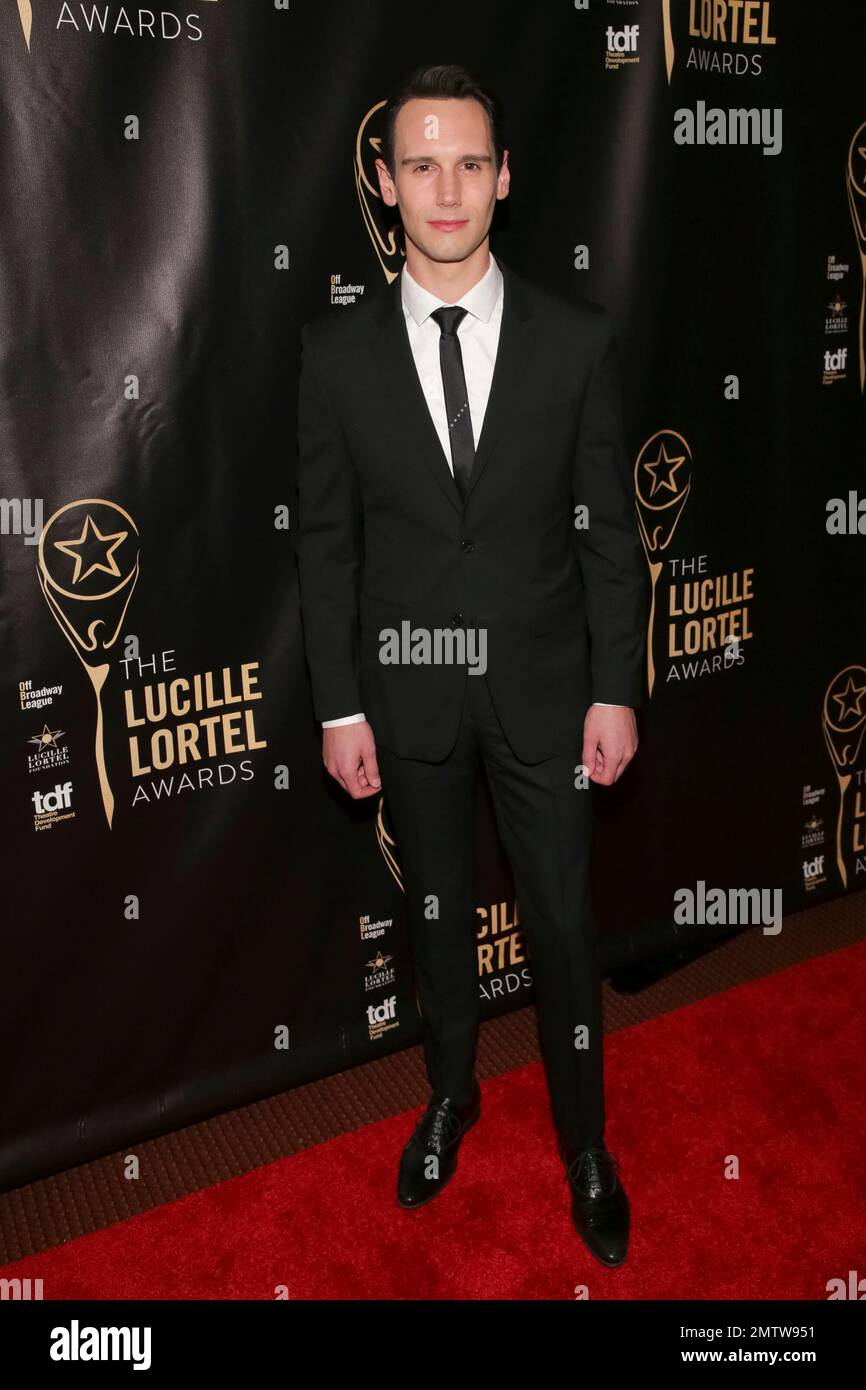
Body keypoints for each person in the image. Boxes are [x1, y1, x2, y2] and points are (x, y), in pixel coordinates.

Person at [295, 63, 648, 1268]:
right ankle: (449, 1099)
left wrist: (615, 685)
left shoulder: (576, 339)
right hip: (409, 696)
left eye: (469, 163)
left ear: (503, 178)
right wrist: (340, 704)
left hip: (548, 693)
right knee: (437, 922)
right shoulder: (335, 354)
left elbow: (611, 526)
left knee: (559, 928)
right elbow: (328, 546)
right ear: (386, 184)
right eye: (421, 164)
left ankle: (586, 1146)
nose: (446, 189)